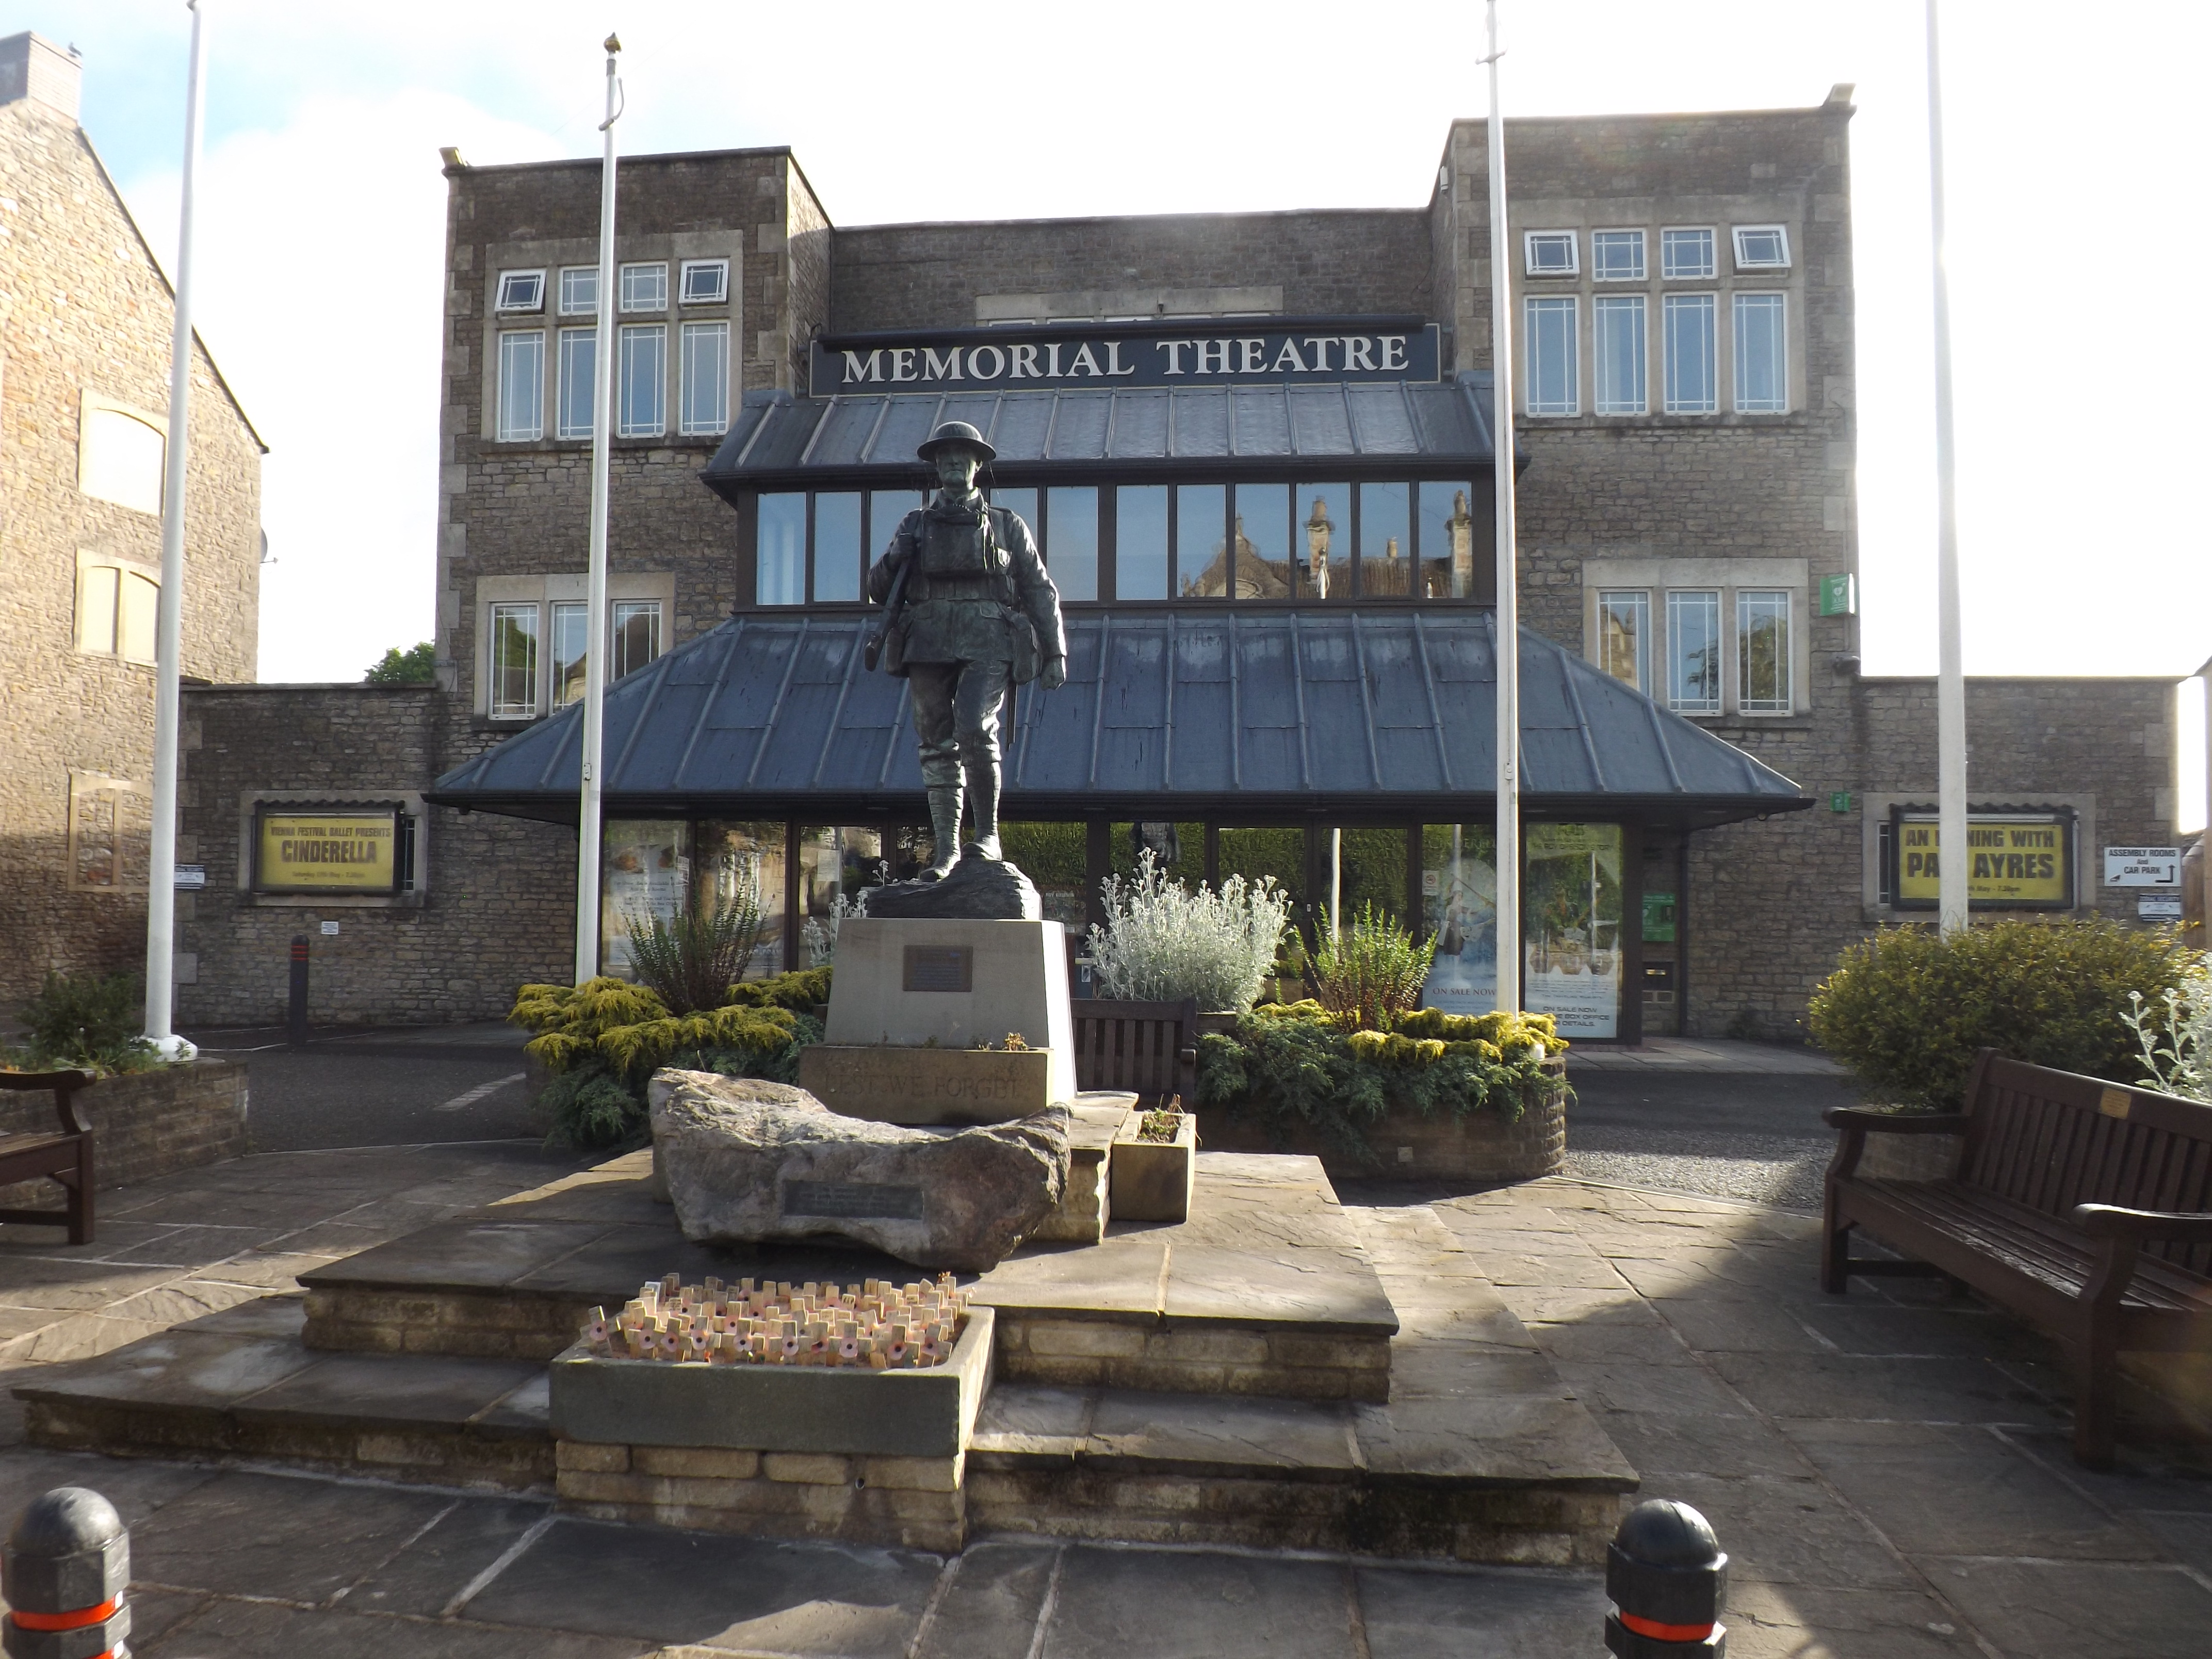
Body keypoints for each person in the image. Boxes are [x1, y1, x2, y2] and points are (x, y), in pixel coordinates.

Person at [866, 420, 1067, 880]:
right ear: (936, 466)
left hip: (988, 637)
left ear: (979, 464)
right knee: (935, 745)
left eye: (964, 454)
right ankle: (946, 850)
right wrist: (899, 554)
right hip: (929, 638)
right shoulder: (913, 525)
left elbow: (1039, 589)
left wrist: (1055, 653)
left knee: (976, 728)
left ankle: (988, 835)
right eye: (946, 455)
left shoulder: (1006, 525)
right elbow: (879, 589)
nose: (954, 461)